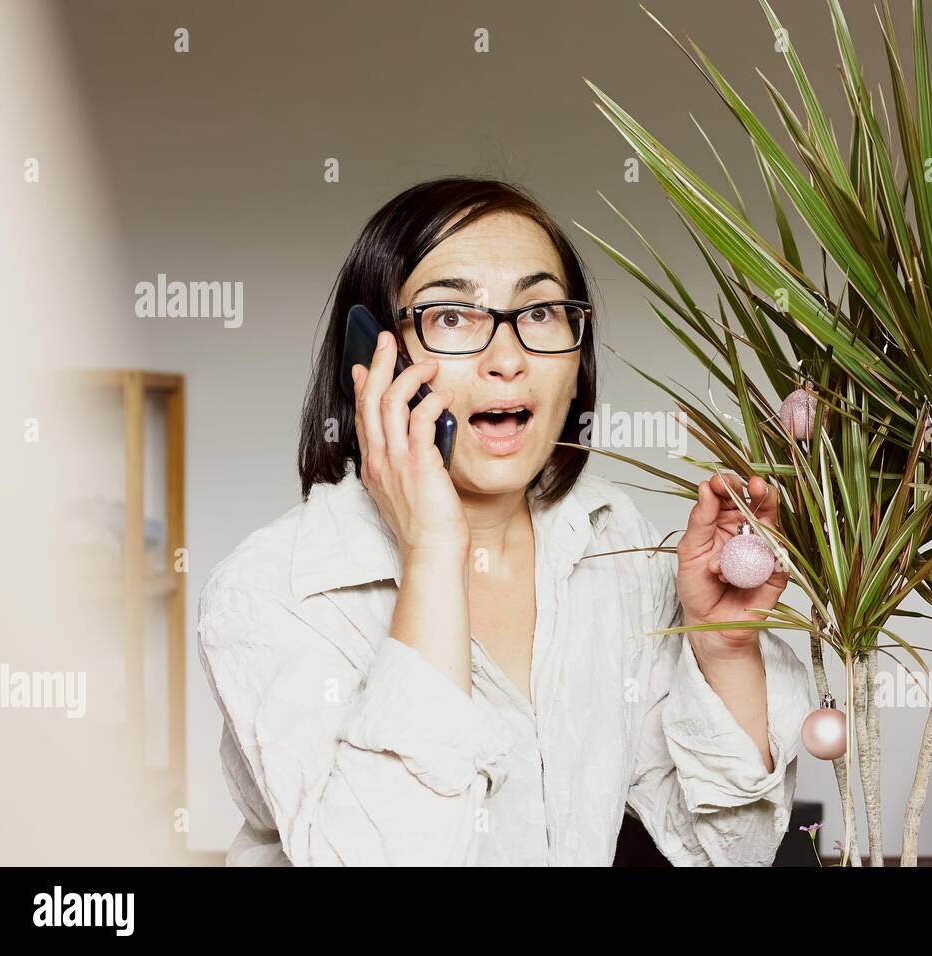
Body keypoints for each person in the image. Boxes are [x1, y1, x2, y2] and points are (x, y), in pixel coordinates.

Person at [196, 176, 816, 866]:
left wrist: (722, 649)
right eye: (452, 317)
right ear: (371, 358)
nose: (508, 360)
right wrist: (433, 553)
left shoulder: (612, 542)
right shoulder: (277, 589)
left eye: (541, 311)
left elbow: (730, 851)